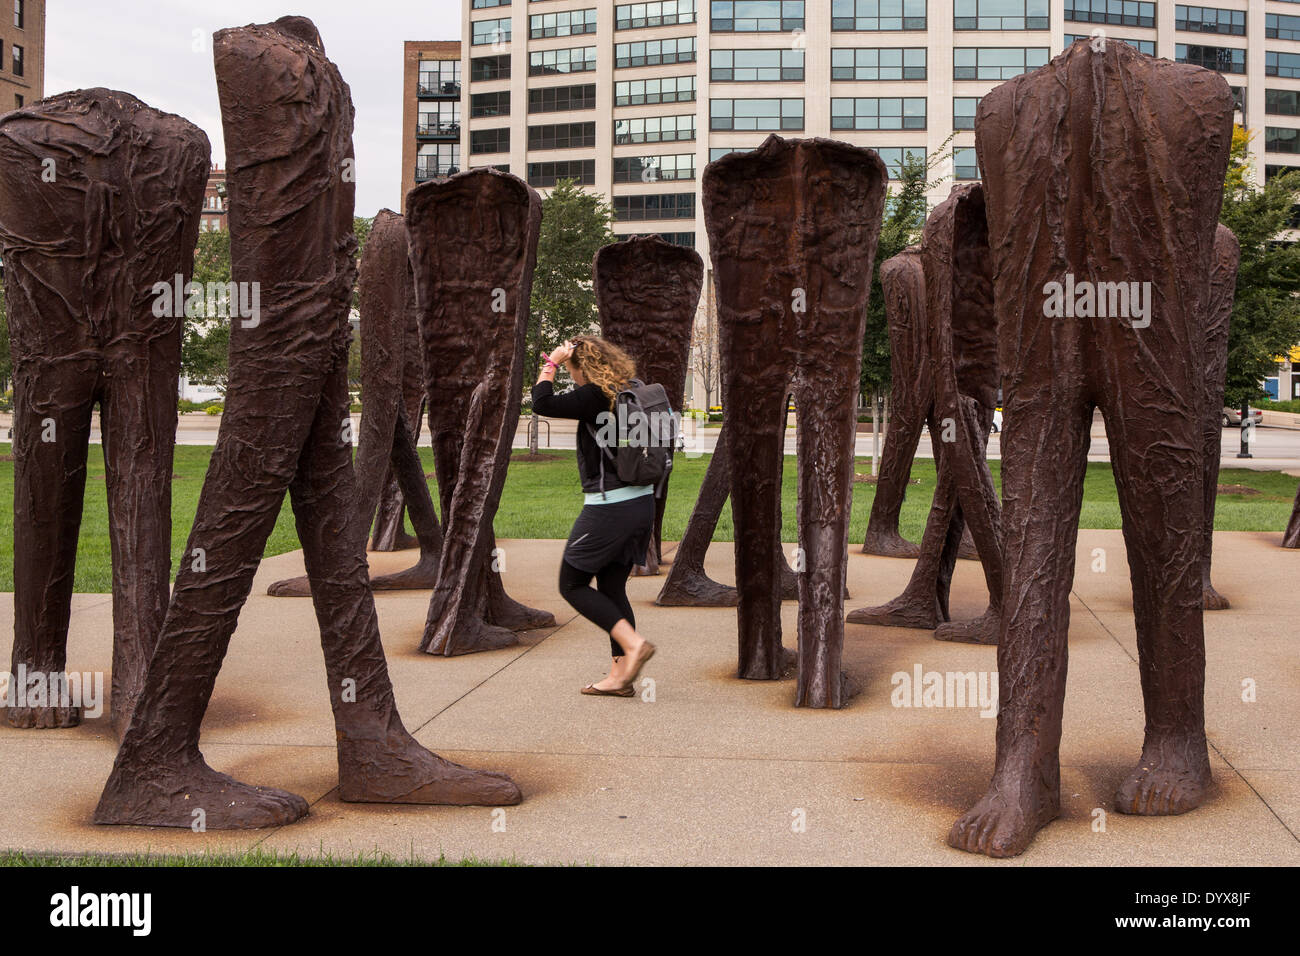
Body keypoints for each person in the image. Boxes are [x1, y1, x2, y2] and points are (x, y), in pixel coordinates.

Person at [532, 336, 657, 697]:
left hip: (610, 507)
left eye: (572, 370)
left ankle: (633, 645)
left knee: (571, 584)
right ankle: (620, 677)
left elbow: (542, 403)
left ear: (580, 367)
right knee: (612, 587)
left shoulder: (594, 396)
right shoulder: (627, 390)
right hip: (641, 503)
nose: (570, 377)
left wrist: (551, 362)